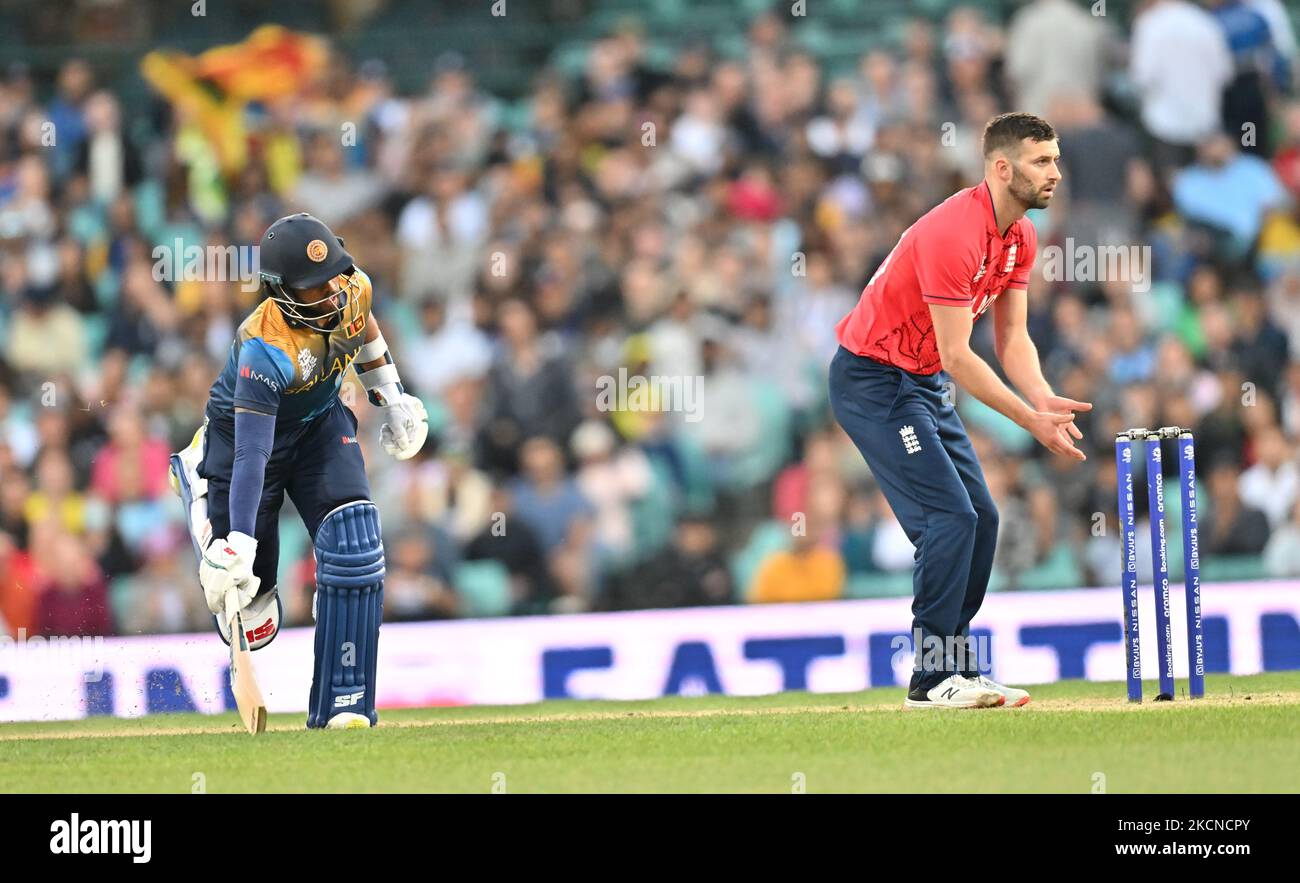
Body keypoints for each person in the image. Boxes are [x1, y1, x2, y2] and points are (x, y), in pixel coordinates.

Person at [828, 112, 1091, 709]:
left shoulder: (1020, 236)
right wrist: (1027, 420)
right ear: (1002, 168)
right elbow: (957, 355)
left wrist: (1042, 394)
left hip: (918, 382)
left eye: (1055, 158)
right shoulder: (956, 232)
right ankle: (929, 680)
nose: (1056, 172)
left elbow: (1012, 338)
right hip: (872, 379)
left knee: (982, 519)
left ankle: (959, 669)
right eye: (1042, 161)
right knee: (949, 520)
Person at [168, 213, 429, 729]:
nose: (331, 292)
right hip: (240, 445)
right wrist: (239, 541)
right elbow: (252, 455)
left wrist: (391, 396)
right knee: (254, 611)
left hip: (318, 426)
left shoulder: (351, 288)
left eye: (334, 275)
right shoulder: (264, 347)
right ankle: (200, 490)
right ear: (283, 291)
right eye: (314, 287)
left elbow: (365, 330)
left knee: (356, 545)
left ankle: (344, 706)